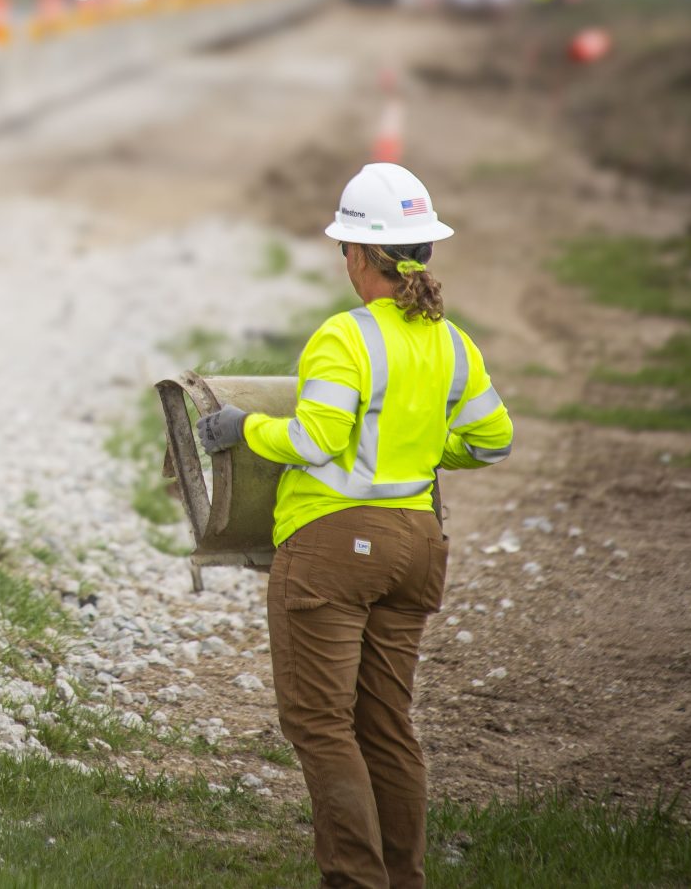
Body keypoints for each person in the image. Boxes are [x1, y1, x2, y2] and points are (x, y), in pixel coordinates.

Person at [196, 162, 512, 889]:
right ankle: (404, 878)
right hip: (416, 546)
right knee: (385, 725)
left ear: (361, 256)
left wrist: (244, 427)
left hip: (336, 548)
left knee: (318, 722)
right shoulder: (452, 344)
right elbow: (494, 441)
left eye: (345, 248)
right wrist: (426, 452)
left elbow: (315, 438)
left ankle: (354, 880)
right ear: (422, 252)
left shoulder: (346, 337)